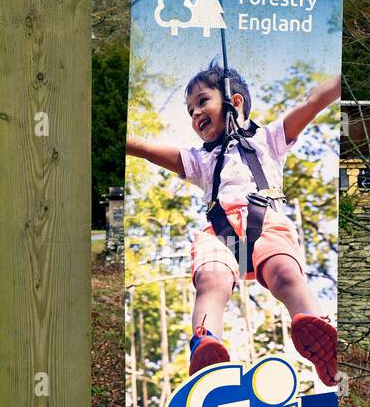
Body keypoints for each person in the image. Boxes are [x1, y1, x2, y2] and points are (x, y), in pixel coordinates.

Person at [126, 59, 339, 385]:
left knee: (284, 273)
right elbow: (143, 149)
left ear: (234, 102)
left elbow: (313, 101)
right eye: (189, 111)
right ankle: (205, 342)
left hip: (265, 221)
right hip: (220, 233)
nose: (195, 113)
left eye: (202, 102)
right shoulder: (199, 159)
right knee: (211, 280)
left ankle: (316, 327)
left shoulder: (269, 139)